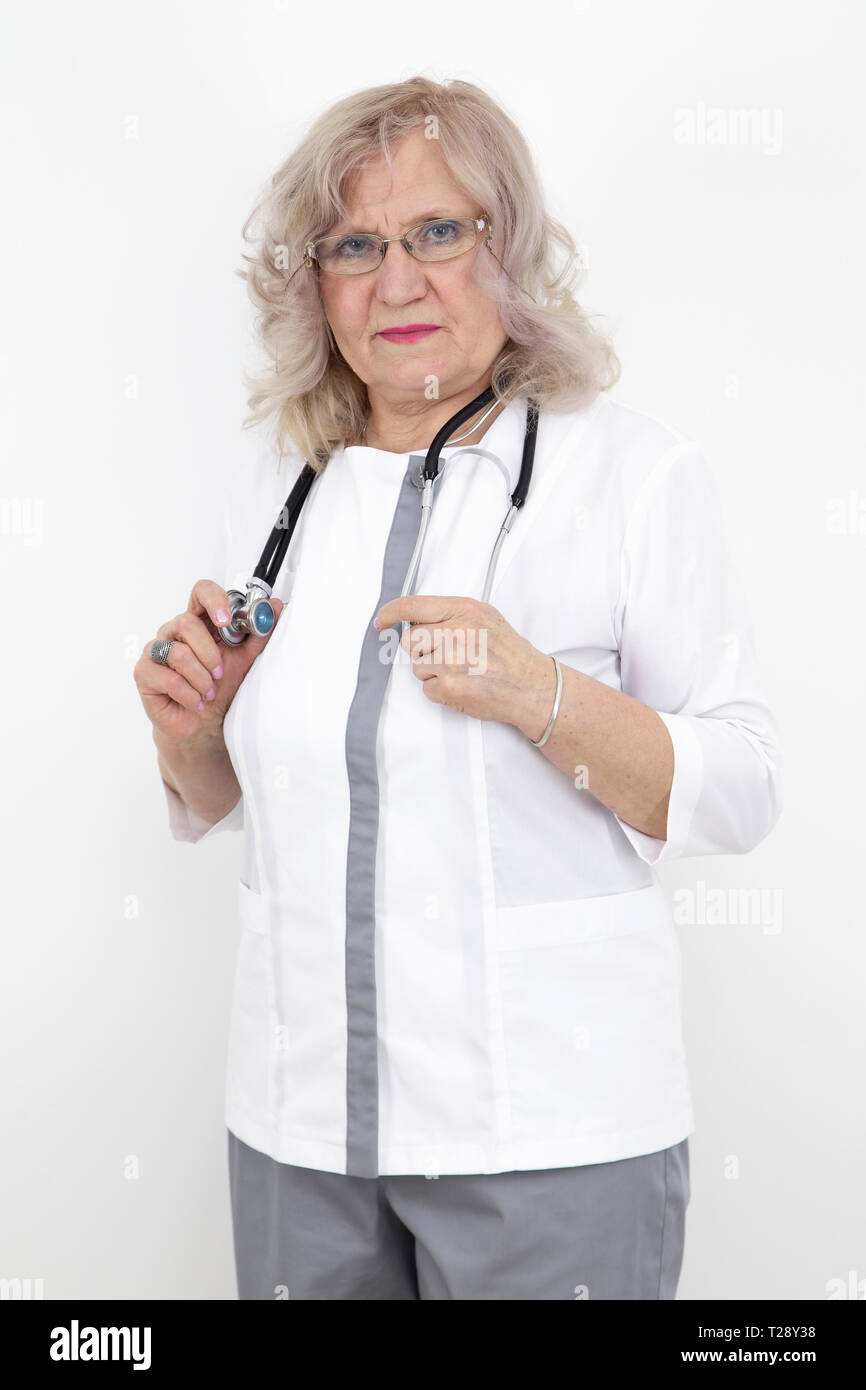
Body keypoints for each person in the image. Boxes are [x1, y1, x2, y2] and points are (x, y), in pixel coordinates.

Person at [134, 76, 781, 1300]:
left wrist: (539, 694)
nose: (396, 281)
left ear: (511, 250)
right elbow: (232, 794)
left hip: (546, 1136)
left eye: (439, 232)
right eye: (354, 246)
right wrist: (190, 736)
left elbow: (742, 787)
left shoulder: (628, 475)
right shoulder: (281, 488)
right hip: (301, 1130)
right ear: (313, 282)